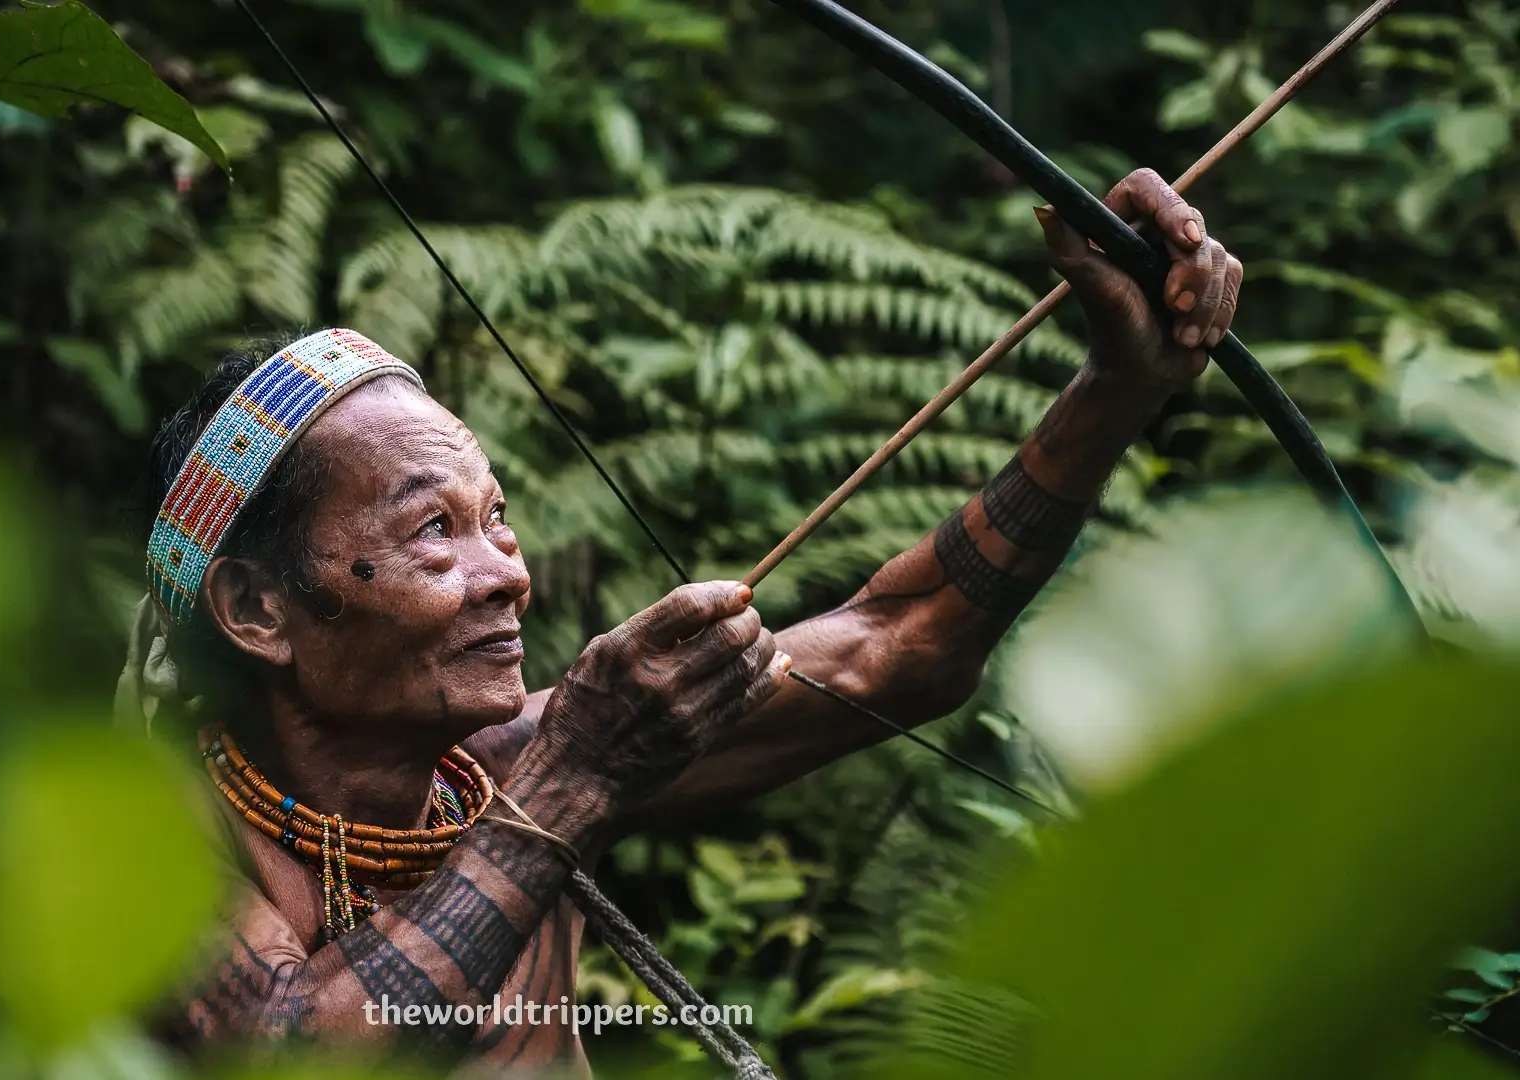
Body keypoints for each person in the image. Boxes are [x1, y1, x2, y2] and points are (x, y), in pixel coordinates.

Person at [118, 170, 1242, 1072]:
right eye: (432, 533)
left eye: (498, 518)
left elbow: (900, 648)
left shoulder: (503, 770)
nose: (507, 574)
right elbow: (287, 1051)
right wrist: (571, 785)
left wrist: (1116, 390)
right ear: (259, 609)